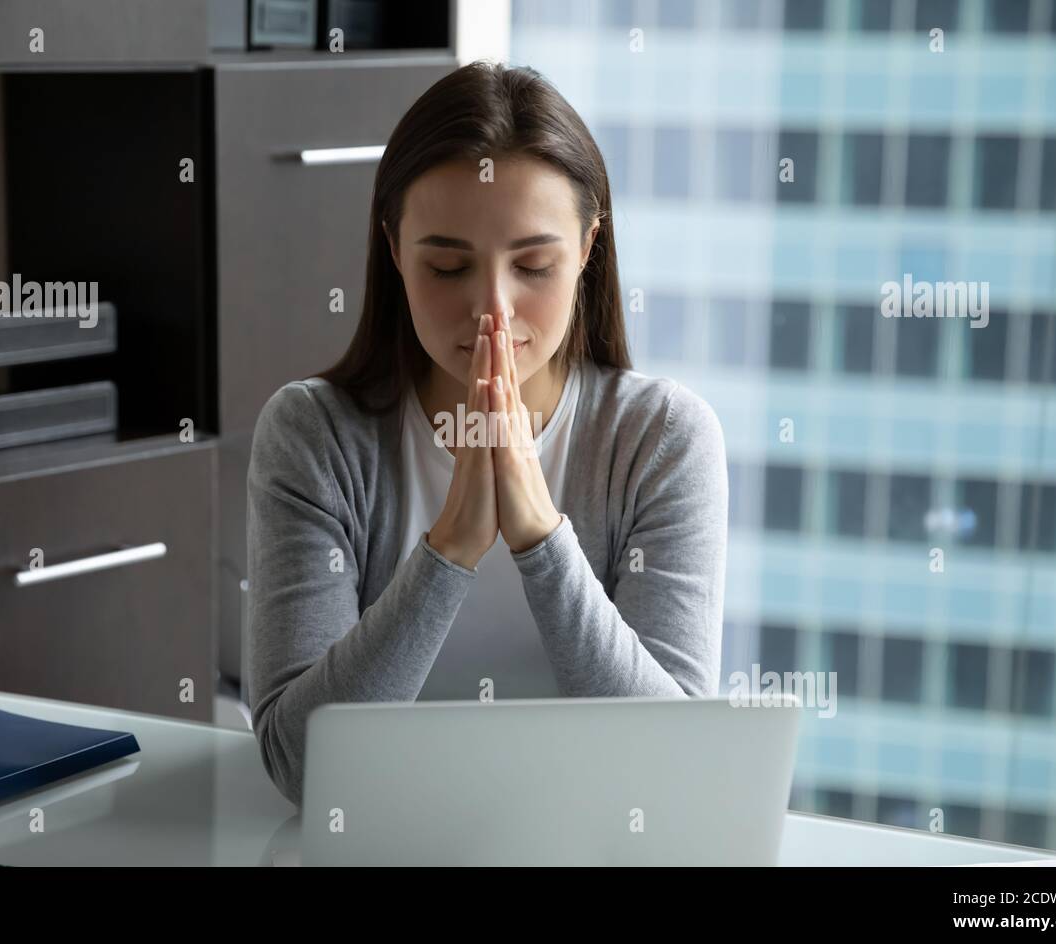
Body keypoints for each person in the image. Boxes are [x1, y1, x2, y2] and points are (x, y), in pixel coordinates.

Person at [246, 60, 728, 807]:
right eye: (446, 266)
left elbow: (670, 767)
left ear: (589, 247)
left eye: (534, 265)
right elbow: (301, 768)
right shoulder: (312, 436)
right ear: (394, 249)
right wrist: (447, 553)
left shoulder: (663, 441)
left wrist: (538, 537)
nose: (491, 312)